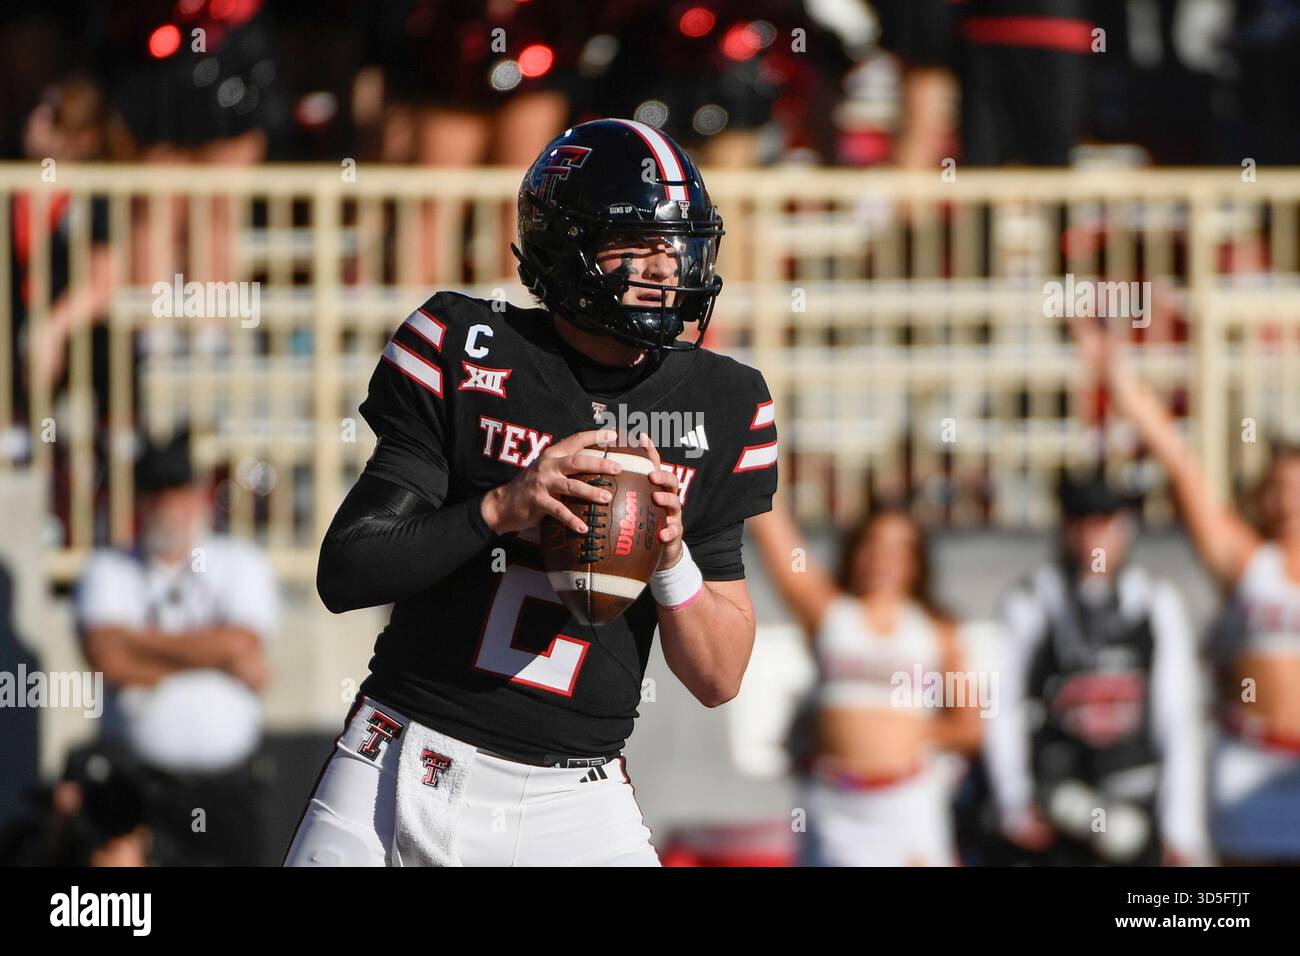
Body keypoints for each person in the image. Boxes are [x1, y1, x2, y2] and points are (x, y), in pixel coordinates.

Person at [285, 118, 778, 867]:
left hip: (573, 802)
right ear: (565, 245)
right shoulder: (467, 344)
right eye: (634, 242)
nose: (663, 266)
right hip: (401, 758)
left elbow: (719, 677)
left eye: (674, 243)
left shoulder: (724, 400)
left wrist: (671, 556)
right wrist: (502, 508)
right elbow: (346, 571)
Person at [1075, 316, 1300, 864]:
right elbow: (1180, 464)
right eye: (1277, 488)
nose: (1288, 500)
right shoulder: (1250, 563)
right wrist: (1116, 375)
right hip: (1251, 760)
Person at [75, 431, 278, 866]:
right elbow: (107, 659)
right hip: (138, 790)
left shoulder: (240, 562)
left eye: (177, 493)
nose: (167, 507)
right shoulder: (109, 568)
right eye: (155, 494)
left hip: (229, 791)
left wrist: (136, 641)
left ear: (198, 495)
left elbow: (242, 642)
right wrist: (219, 659)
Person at [986, 471, 1208, 866]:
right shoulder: (1033, 601)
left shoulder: (1155, 603)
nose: (1092, 536)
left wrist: (1181, 824)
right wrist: (1014, 799)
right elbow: (1002, 705)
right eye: (1079, 521)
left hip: (1135, 806)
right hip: (1058, 812)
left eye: (1104, 522)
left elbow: (1177, 718)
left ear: (1124, 529)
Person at [750, 498, 981, 866]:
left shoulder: (938, 630)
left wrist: (913, 735)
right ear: (854, 549)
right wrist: (745, 452)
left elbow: (970, 727)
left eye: (897, 548)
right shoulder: (831, 613)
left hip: (909, 804)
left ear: (916, 559)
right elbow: (775, 536)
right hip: (834, 807)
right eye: (871, 544)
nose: (882, 558)